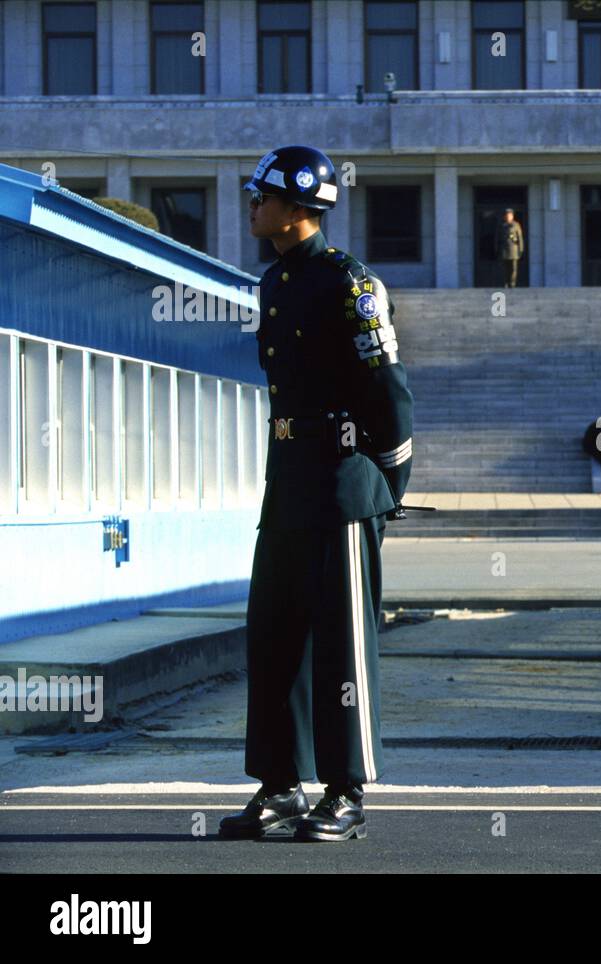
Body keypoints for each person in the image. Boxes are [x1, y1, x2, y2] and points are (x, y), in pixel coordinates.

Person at [218, 145, 414, 841]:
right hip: (290, 480)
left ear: (297, 208)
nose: (251, 207)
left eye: (260, 196)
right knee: (274, 634)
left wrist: (385, 487)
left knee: (340, 645)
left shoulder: (348, 284)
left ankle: (347, 789)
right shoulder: (274, 281)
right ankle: (280, 786)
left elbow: (388, 393)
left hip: (341, 483)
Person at [495, 207, 524, 288]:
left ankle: (512, 283)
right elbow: (497, 237)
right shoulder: (501, 225)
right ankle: (505, 283)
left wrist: (521, 249)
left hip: (514, 249)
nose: (508, 217)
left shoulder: (516, 225)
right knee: (504, 269)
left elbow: (520, 238)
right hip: (504, 249)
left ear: (512, 216)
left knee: (513, 268)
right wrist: (496, 248)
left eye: (509, 215)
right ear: (504, 217)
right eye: (506, 215)